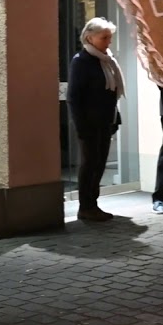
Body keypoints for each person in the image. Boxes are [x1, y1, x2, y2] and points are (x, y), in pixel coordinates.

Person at [66, 17, 125, 222]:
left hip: (105, 121)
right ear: (90, 38)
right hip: (90, 123)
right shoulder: (82, 61)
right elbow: (73, 97)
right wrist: (81, 125)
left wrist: (115, 118)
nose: (109, 42)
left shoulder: (106, 60)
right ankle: (86, 206)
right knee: (90, 163)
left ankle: (93, 204)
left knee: (99, 163)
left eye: (110, 37)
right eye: (104, 37)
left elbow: (113, 93)